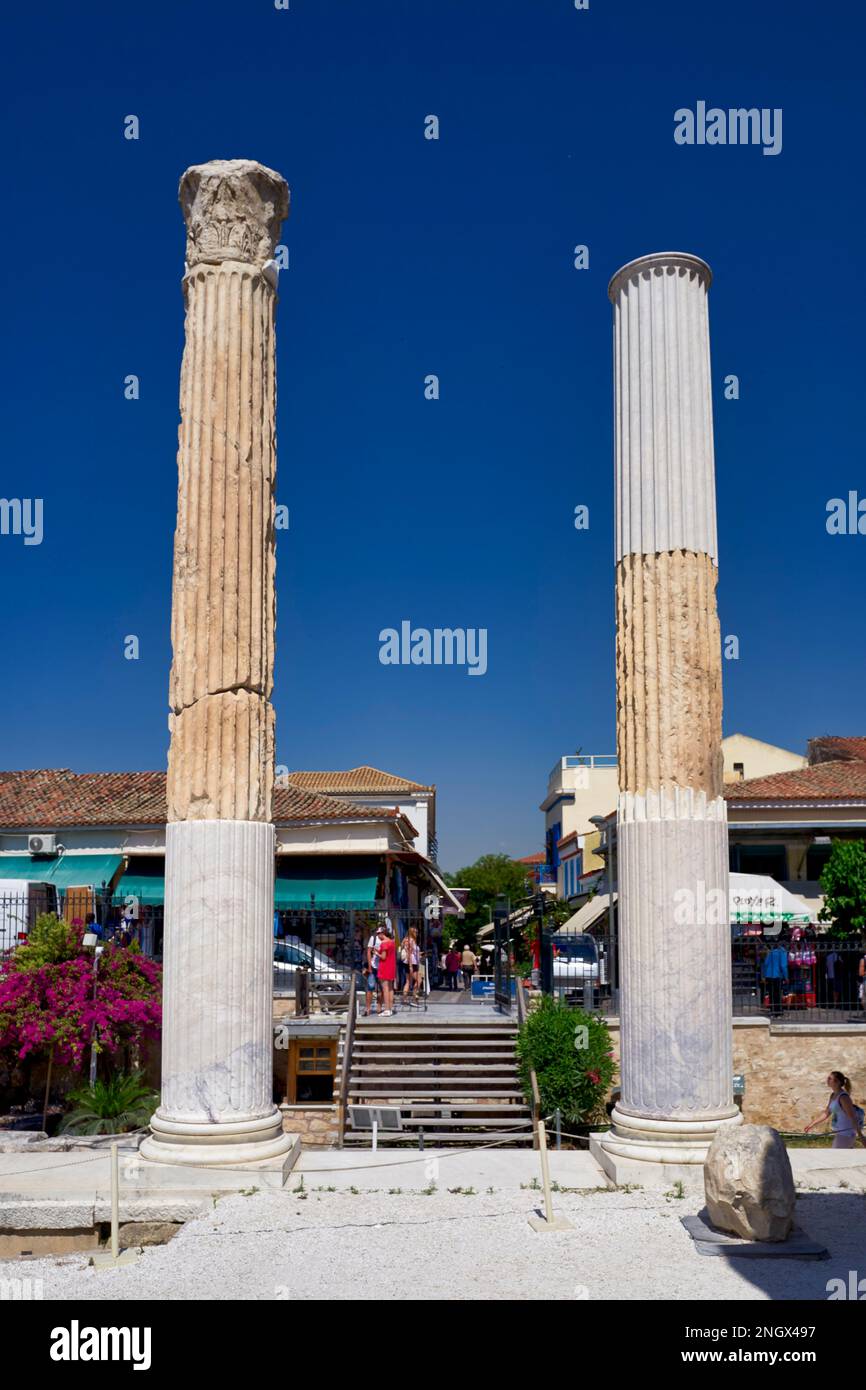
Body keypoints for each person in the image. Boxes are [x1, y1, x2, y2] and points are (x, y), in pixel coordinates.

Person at [804, 1071, 866, 1149]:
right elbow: (827, 1113)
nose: (827, 1080)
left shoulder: (844, 1097)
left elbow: (852, 1117)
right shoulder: (833, 1095)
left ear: (837, 1082)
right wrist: (812, 1124)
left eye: (830, 1078)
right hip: (840, 1133)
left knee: (836, 1159)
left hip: (846, 1134)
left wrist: (861, 1136)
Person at [761, 937, 789, 1018]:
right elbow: (783, 966)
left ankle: (773, 1011)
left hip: (769, 975)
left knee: (772, 994)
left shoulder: (772, 952)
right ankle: (778, 1012)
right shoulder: (782, 952)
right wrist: (786, 977)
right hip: (777, 975)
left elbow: (766, 964)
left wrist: (764, 975)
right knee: (778, 994)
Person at [376, 922, 396, 1016]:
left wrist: (376, 954)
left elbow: (383, 957)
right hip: (391, 966)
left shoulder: (384, 943)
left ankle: (387, 1009)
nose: (377, 936)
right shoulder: (392, 942)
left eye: (378, 934)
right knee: (391, 988)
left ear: (382, 933)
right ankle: (390, 1008)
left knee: (385, 988)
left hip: (384, 967)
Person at [364, 924, 381, 1016]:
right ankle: (368, 1008)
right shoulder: (373, 938)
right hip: (374, 966)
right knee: (370, 988)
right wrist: (370, 966)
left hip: (383, 967)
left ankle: (379, 1008)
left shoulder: (386, 939)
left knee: (381, 989)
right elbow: (368, 952)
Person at [401, 926, 421, 1006]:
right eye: (416, 932)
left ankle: (405, 999)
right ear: (412, 933)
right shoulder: (411, 941)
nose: (417, 934)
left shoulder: (406, 940)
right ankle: (414, 997)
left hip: (409, 962)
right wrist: (410, 966)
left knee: (408, 982)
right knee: (419, 980)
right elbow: (409, 953)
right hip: (411, 963)